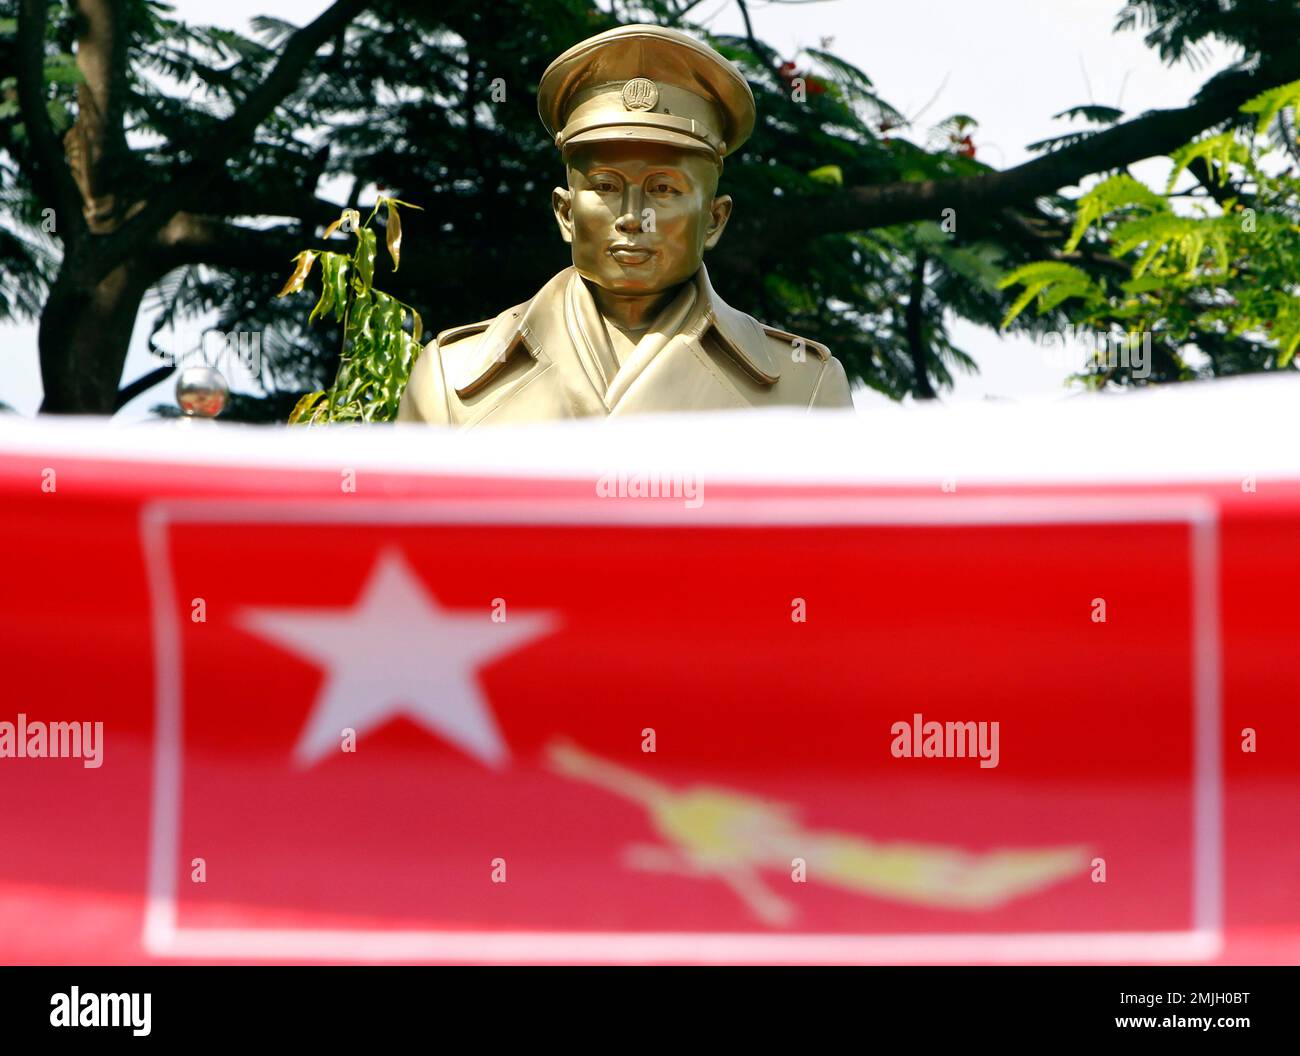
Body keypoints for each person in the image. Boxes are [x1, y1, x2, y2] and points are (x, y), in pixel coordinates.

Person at [398, 24, 854, 428]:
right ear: (565, 213)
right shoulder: (452, 380)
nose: (634, 216)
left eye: (663, 189)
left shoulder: (802, 388)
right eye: (606, 186)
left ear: (715, 220)